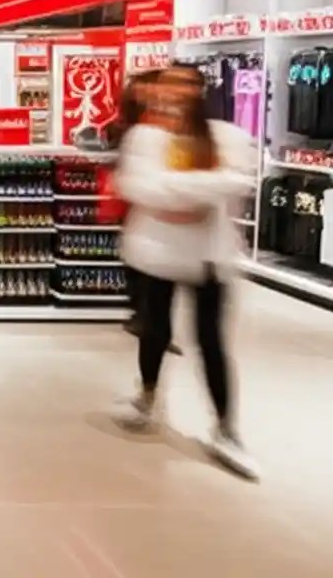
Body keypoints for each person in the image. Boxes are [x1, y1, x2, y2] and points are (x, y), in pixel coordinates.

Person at [111, 64, 258, 479]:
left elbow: (237, 183)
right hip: (155, 254)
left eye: (186, 84)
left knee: (211, 342)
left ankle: (227, 429)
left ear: (200, 89)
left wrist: (171, 189)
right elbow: (138, 187)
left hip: (210, 258)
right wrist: (200, 185)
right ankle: (147, 396)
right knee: (154, 332)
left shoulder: (227, 136)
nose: (177, 92)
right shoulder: (144, 139)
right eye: (170, 84)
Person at [111, 70, 180, 353]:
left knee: (160, 273)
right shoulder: (127, 127)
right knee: (141, 267)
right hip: (136, 203)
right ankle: (144, 320)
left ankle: (155, 327)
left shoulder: (168, 124)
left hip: (160, 210)